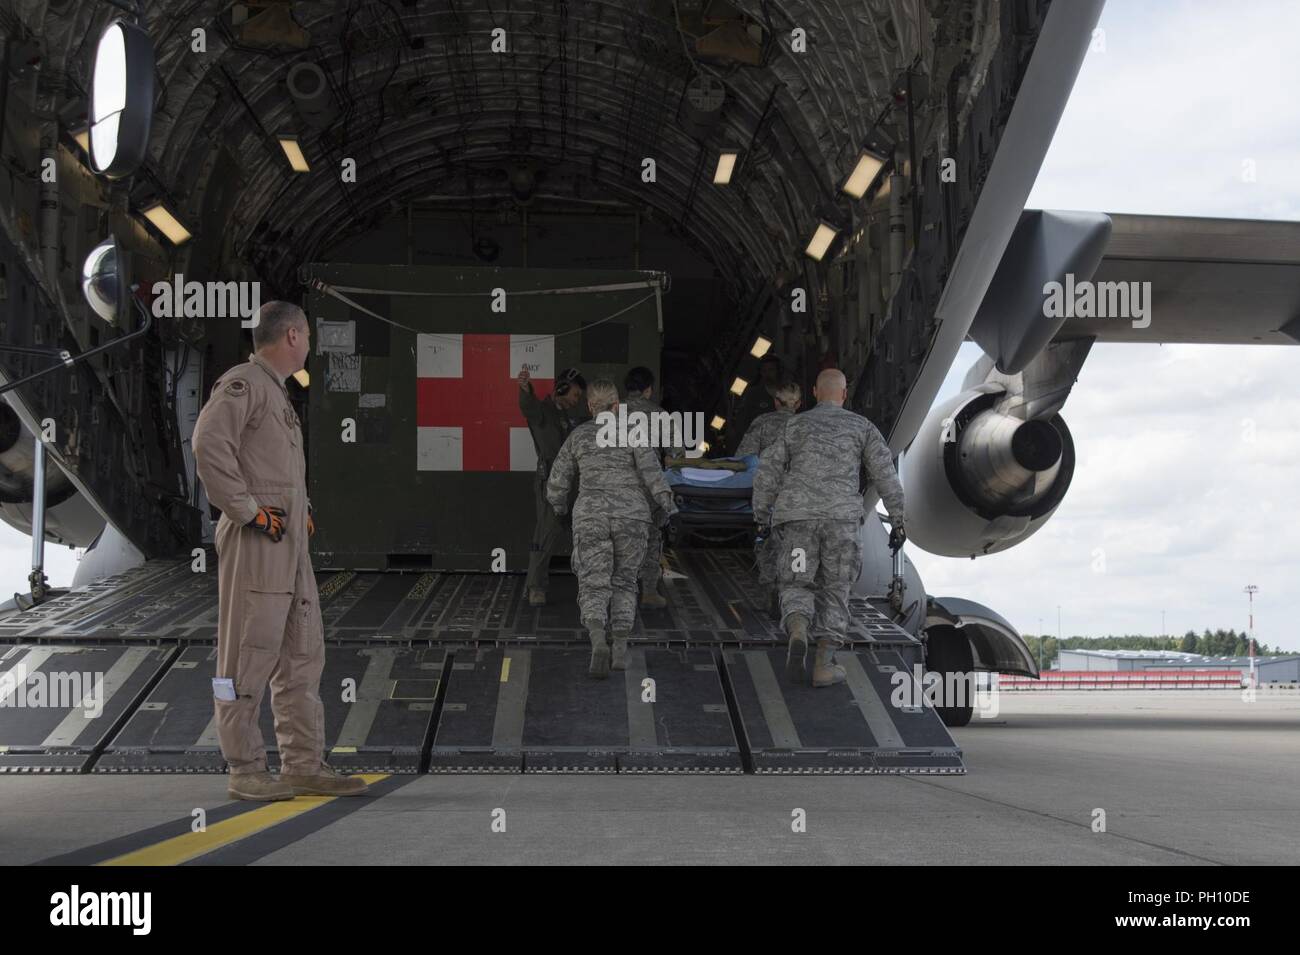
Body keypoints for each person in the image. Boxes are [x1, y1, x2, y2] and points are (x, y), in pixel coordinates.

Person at [192, 301, 368, 800]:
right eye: (308, 336)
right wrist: (249, 511)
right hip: (258, 541)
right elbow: (208, 444)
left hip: (287, 542)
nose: (310, 345)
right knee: (247, 653)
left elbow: (269, 466)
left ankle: (302, 765)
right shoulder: (244, 383)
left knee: (301, 653)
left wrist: (299, 506)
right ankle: (245, 768)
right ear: (291, 336)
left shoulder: (277, 393)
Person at [752, 368, 906, 688]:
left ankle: (797, 628)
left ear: (814, 392)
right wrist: (899, 519)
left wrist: (762, 515)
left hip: (797, 522)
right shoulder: (862, 427)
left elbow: (767, 470)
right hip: (841, 524)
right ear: (844, 394)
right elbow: (885, 474)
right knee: (836, 589)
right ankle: (824, 664)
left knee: (796, 582)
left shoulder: (794, 425)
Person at [547, 379, 678, 678]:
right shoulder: (634, 432)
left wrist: (559, 509)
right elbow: (652, 475)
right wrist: (670, 508)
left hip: (591, 515)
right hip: (631, 516)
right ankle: (619, 647)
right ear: (617, 406)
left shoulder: (579, 435)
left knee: (594, 582)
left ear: (591, 406)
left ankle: (597, 641)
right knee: (624, 582)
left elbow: (558, 480)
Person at [519, 365, 586, 606]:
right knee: (545, 535)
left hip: (574, 482)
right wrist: (526, 388)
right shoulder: (543, 411)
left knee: (586, 532)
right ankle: (536, 586)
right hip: (550, 482)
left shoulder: (572, 416)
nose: (576, 400)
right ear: (562, 388)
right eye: (575, 394)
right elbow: (528, 407)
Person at [735, 377, 802, 618]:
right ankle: (792, 596)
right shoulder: (804, 426)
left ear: (776, 402)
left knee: (765, 545)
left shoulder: (762, 423)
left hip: (768, 496)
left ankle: (769, 593)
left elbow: (744, 457)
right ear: (798, 404)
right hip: (797, 500)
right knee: (796, 548)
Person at [622, 366, 682, 609]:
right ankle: (648, 591)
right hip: (650, 488)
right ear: (648, 390)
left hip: (620, 486)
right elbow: (676, 455)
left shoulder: (613, 414)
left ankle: (621, 594)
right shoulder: (660, 415)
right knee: (652, 536)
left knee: (620, 538)